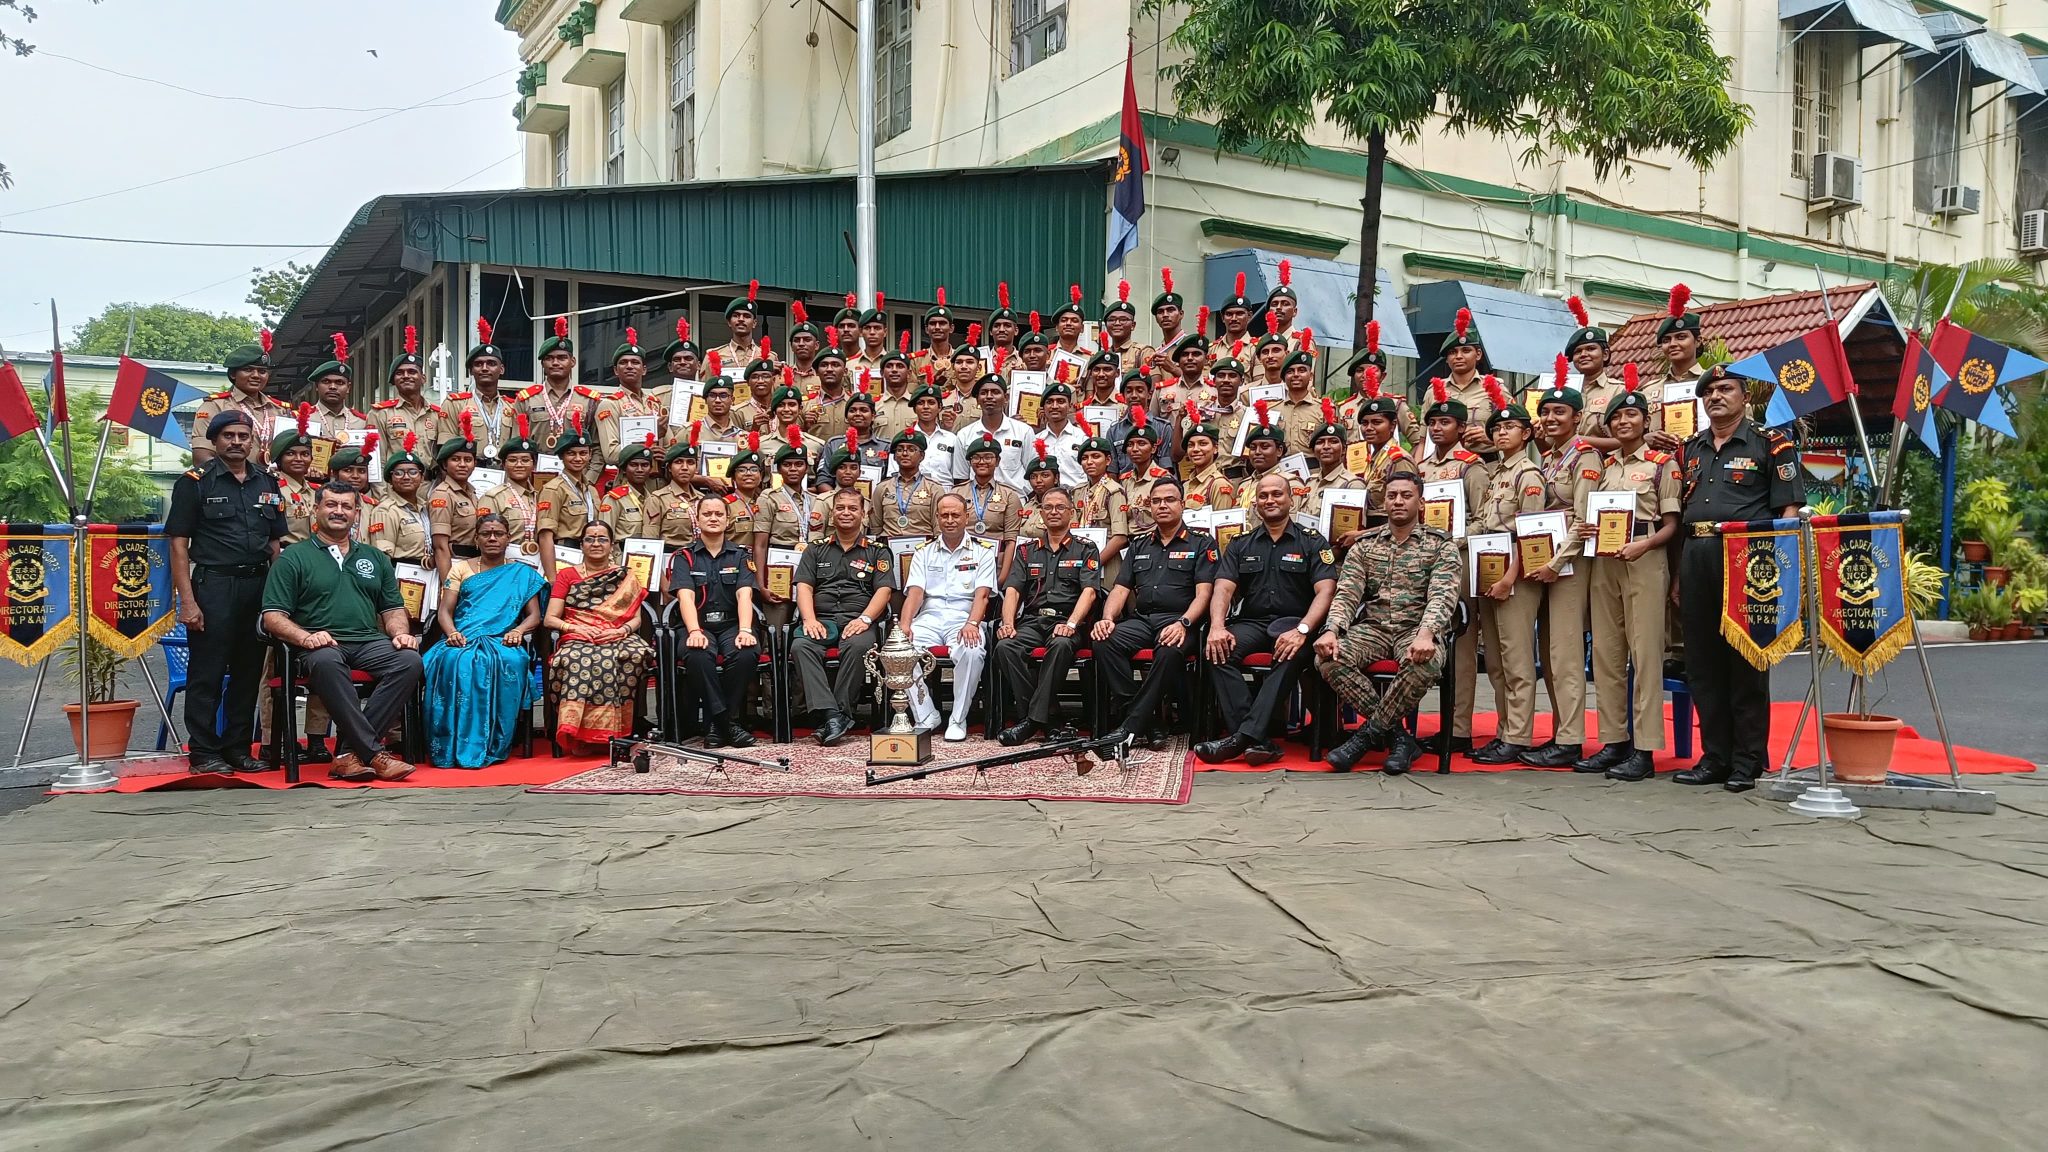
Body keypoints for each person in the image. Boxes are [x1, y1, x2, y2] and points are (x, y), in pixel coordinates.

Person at [1674, 365, 1801, 792]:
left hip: (1749, 561)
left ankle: (1747, 761)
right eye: (1708, 391)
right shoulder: (1691, 449)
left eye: (1725, 389)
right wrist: (1677, 575)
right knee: (1703, 664)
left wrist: (1780, 569)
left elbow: (1788, 511)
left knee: (1746, 661)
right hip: (1696, 557)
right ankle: (1714, 757)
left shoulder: (1771, 444)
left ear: (1744, 398)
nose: (1715, 397)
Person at [258, 482, 423, 781]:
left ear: (356, 513)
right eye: (332, 505)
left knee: (408, 661)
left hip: (367, 641)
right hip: (319, 645)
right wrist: (306, 637)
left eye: (347, 506)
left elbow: (393, 609)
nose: (339, 511)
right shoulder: (293, 557)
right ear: (316, 509)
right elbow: (272, 617)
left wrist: (399, 632)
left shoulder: (375, 558)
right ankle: (373, 754)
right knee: (327, 661)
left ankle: (349, 753)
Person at [166, 410, 286, 775]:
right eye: (229, 436)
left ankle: (237, 748)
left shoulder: (267, 482)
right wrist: (187, 601)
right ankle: (203, 751)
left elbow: (276, 544)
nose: (237, 442)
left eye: (243, 436)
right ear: (215, 442)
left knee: (249, 673)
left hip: (256, 586)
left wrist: (276, 600)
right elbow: (178, 545)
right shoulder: (195, 482)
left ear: (252, 442)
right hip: (214, 586)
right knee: (208, 673)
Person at [1318, 474, 1462, 774]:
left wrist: (1426, 635)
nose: (1398, 501)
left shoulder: (1441, 545)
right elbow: (1347, 594)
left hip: (1417, 628)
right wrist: (1331, 630)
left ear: (1420, 502)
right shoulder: (1365, 546)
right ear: (1384, 502)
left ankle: (1364, 738)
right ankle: (1399, 738)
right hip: (1375, 628)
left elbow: (1442, 596)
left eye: (1406, 495)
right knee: (1328, 657)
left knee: (1426, 662)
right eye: (1392, 495)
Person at [1574, 379, 1681, 782]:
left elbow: (1672, 524)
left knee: (1645, 656)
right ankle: (1614, 740)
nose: (1623, 421)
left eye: (1631, 414)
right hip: (1604, 561)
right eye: (1616, 416)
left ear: (1645, 420)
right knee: (1606, 653)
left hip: (1644, 557)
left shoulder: (1660, 464)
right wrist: (1586, 531)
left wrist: (1644, 545)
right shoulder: (1603, 467)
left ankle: (1646, 748)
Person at [1193, 473, 1338, 766]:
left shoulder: (1312, 542)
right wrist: (1218, 627)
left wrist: (1303, 629)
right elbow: (1223, 587)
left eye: (1277, 494)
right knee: (1218, 651)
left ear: (1291, 499)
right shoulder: (1240, 544)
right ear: (1256, 503)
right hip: (1254, 622)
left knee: (1289, 653)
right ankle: (1255, 738)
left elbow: (1326, 590)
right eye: (1263, 496)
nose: (1270, 500)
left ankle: (1241, 739)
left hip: (1297, 622)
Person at [1094, 477, 1217, 747]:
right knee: (1104, 640)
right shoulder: (1139, 545)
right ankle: (1148, 721)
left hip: (1181, 622)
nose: (1162, 505)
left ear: (1182, 505)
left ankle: (1131, 725)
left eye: (1169, 500)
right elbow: (1120, 589)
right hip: (1143, 620)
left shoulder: (1201, 543)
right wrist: (1107, 618)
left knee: (1169, 649)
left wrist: (1184, 623)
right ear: (1149, 505)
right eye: (1156, 501)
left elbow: (1205, 594)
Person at [422, 514, 546, 768]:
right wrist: (452, 633)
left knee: (511, 661)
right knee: (455, 661)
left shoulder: (521, 573)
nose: (492, 538)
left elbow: (535, 615)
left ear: (508, 539)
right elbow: (445, 611)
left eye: (498, 533)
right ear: (476, 539)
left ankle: (496, 741)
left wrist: (519, 631)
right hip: (462, 637)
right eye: (486, 534)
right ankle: (452, 743)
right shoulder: (461, 569)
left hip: (503, 639)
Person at [1523, 370, 1602, 768]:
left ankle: (1570, 740)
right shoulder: (1551, 457)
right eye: (1546, 412)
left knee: (1566, 653)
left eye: (1560, 412)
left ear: (1577, 416)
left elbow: (1584, 519)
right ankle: (1559, 732)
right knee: (1549, 653)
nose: (1551, 418)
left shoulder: (1585, 456)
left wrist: (1556, 563)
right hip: (1546, 564)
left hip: (1569, 563)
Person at [1469, 383, 1550, 765]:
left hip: (1514, 575)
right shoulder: (1495, 472)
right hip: (1489, 569)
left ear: (1527, 432)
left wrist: (1509, 578)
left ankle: (1517, 736)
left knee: (1517, 659)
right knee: (1498, 661)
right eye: (1497, 429)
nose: (1502, 433)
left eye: (1510, 428)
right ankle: (1504, 730)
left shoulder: (1528, 474)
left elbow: (1532, 534)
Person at [1415, 379, 1492, 756]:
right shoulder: (1422, 466)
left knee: (1459, 642)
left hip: (1455, 561)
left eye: (1445, 423)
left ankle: (1458, 727)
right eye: (1432, 423)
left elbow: (1483, 519)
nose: (1437, 428)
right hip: (1420, 561)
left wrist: (1451, 540)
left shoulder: (1471, 466)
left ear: (1461, 428)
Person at [993, 488, 1102, 745]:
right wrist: (1008, 624)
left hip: (1067, 621)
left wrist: (1071, 624)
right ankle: (1049, 718)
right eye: (1048, 507)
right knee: (1006, 646)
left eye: (1060, 507)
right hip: (1033, 621)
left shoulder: (1085, 549)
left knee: (1061, 644)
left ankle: (1030, 722)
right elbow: (1012, 591)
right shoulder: (1025, 551)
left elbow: (1090, 592)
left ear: (1071, 513)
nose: (1053, 512)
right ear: (1041, 513)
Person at [791, 488, 896, 746]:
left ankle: (835, 714)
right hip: (822, 619)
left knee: (859, 646)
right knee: (801, 645)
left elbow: (884, 590)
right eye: (840, 508)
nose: (846, 513)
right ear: (832, 512)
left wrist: (865, 619)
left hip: (858, 619)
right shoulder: (815, 550)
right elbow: (803, 586)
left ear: (863, 513)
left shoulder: (877, 551)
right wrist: (809, 619)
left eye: (852, 508)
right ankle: (833, 715)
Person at [543, 520, 655, 753]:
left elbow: (636, 619)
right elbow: (550, 619)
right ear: (581, 544)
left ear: (612, 545)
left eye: (602, 539)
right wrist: (576, 629)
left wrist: (620, 631)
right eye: (590, 539)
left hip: (618, 634)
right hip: (578, 635)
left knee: (632, 654)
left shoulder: (625, 576)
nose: (596, 543)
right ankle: (580, 737)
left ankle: (617, 733)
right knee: (576, 659)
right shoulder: (567, 575)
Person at [899, 494, 999, 740]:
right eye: (944, 515)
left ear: (966, 517)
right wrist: (904, 625)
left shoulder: (983, 551)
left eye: (956, 515)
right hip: (929, 615)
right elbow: (915, 593)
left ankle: (957, 718)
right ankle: (926, 714)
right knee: (898, 650)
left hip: (964, 615)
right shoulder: (923, 552)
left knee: (973, 650)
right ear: (937, 518)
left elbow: (983, 595)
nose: (950, 520)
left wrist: (972, 623)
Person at [667, 495, 763, 748]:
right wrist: (694, 631)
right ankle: (727, 722)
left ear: (727, 520)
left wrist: (744, 629)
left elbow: (745, 594)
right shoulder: (683, 557)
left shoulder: (742, 555)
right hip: (698, 625)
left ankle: (717, 724)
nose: (713, 518)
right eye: (707, 514)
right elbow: (685, 596)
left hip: (732, 624)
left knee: (747, 652)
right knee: (696, 653)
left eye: (718, 514)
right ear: (697, 520)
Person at [192, 330, 290, 466]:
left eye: (262, 371)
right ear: (233, 374)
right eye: (248, 370)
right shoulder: (215, 406)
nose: (256, 375)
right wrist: (235, 479)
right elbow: (201, 456)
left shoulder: (281, 410)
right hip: (234, 483)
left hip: (277, 483)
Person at [534, 413, 600, 585]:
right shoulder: (553, 489)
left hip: (591, 556)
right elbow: (545, 536)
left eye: (583, 453)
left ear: (590, 455)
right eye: (571, 453)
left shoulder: (591, 490)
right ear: (561, 456)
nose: (578, 458)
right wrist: (553, 578)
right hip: (565, 555)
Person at [589, 328, 668, 465]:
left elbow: (669, 446)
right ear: (615, 371)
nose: (629, 366)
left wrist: (667, 454)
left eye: (635, 362)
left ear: (644, 370)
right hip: (628, 480)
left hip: (658, 480)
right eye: (623, 362)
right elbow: (611, 454)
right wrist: (648, 443)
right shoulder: (610, 404)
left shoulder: (656, 403)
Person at [442, 319, 517, 462]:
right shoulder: (455, 404)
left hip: (504, 475)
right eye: (478, 364)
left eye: (491, 363)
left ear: (501, 369)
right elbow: (446, 450)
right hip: (468, 475)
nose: (484, 368)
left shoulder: (512, 407)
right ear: (471, 371)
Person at [369, 327, 444, 465]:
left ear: (423, 378)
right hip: (395, 484)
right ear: (393, 381)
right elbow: (377, 461)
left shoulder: (437, 414)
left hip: (431, 484)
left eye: (412, 372)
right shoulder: (380, 414)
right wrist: (382, 488)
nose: (406, 376)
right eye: (400, 373)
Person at [428, 416, 482, 580]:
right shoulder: (443, 494)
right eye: (455, 459)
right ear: (444, 465)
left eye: (468, 460)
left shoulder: (472, 493)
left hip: (474, 564)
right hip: (455, 565)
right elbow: (440, 546)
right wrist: (449, 585)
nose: (462, 464)